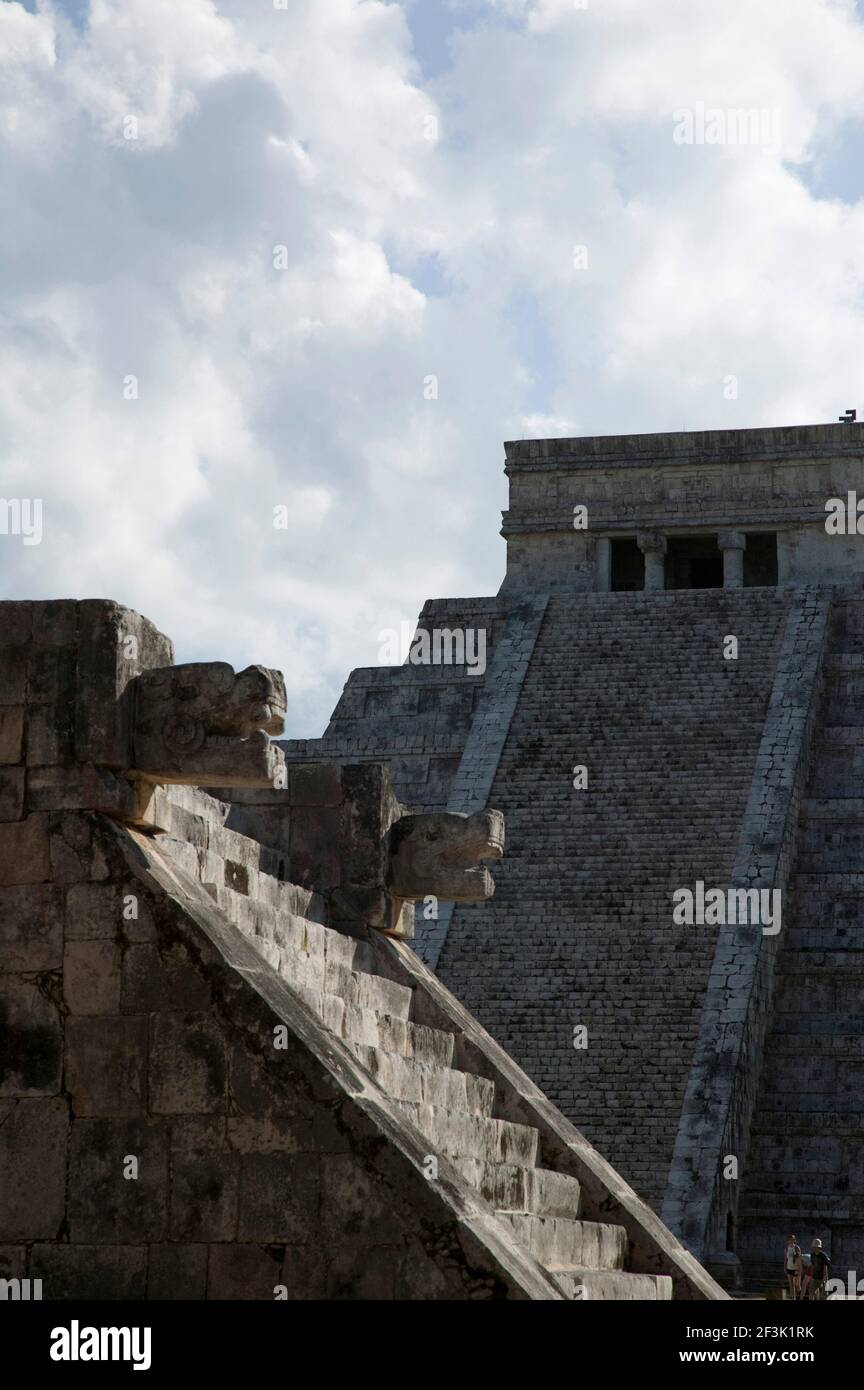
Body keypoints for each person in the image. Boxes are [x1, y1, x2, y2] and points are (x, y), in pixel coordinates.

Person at [784, 1234, 802, 1299]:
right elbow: (785, 1259)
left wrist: (799, 1269)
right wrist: (784, 1267)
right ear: (788, 1240)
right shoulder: (786, 1248)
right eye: (790, 1239)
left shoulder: (797, 1248)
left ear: (794, 1240)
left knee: (796, 1285)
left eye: (792, 1239)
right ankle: (793, 1298)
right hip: (789, 1268)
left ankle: (799, 1296)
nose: (791, 1241)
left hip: (796, 1269)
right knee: (791, 1285)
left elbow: (799, 1259)